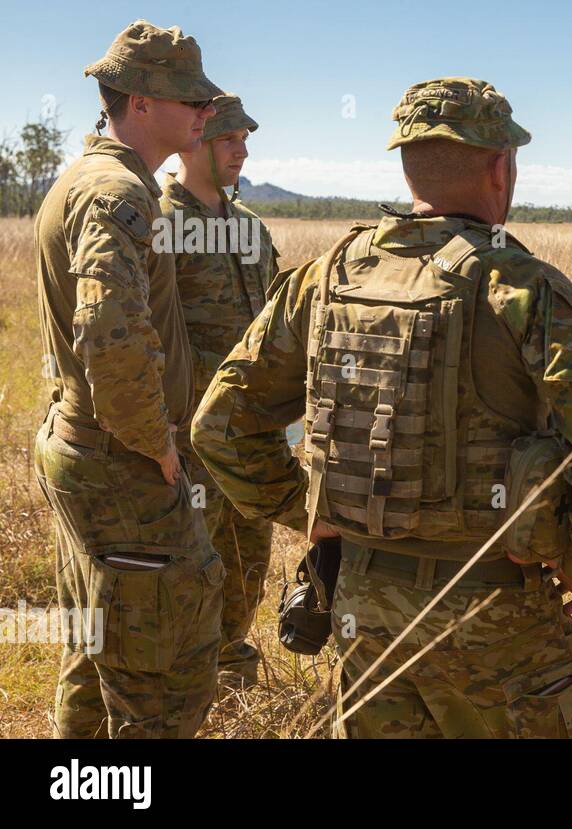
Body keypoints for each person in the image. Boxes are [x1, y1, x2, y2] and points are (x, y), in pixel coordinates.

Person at [191, 77, 572, 738]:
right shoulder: (526, 289)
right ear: (500, 166)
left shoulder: (328, 276)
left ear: (407, 163)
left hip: (362, 610)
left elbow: (221, 424)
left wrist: (308, 514)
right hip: (496, 615)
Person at [32, 19, 224, 738]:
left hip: (86, 446)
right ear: (140, 101)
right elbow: (109, 335)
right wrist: (157, 444)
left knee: (93, 647)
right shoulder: (121, 192)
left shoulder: (87, 179)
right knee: (167, 670)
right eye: (190, 97)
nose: (206, 109)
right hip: (123, 461)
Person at [160, 94, 280, 689]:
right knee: (190, 568)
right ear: (196, 140)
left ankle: (230, 677)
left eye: (244, 139)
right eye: (230, 138)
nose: (242, 149)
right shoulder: (160, 224)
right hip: (186, 439)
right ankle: (182, 688)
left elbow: (276, 328)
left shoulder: (251, 228)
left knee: (248, 564)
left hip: (251, 435)